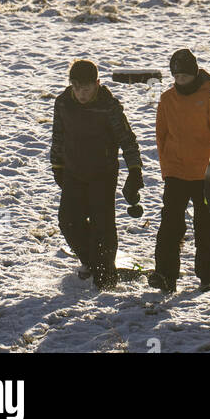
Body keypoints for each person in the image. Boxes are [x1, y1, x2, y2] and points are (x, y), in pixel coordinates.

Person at [50, 58, 144, 290]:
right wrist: (57, 166)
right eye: (77, 88)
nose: (82, 94)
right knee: (68, 221)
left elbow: (127, 139)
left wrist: (134, 170)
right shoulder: (63, 104)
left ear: (97, 84)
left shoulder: (108, 106)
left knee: (103, 225)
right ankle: (92, 262)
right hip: (73, 170)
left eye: (87, 88)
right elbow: (58, 136)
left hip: (103, 173)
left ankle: (105, 276)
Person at [149, 48, 210, 292]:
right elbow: (161, 135)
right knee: (170, 225)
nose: (180, 80)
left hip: (205, 174)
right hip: (176, 172)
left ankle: (207, 275)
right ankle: (165, 275)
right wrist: (166, 168)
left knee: (205, 226)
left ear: (194, 74)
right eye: (177, 76)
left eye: (185, 76)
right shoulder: (167, 99)